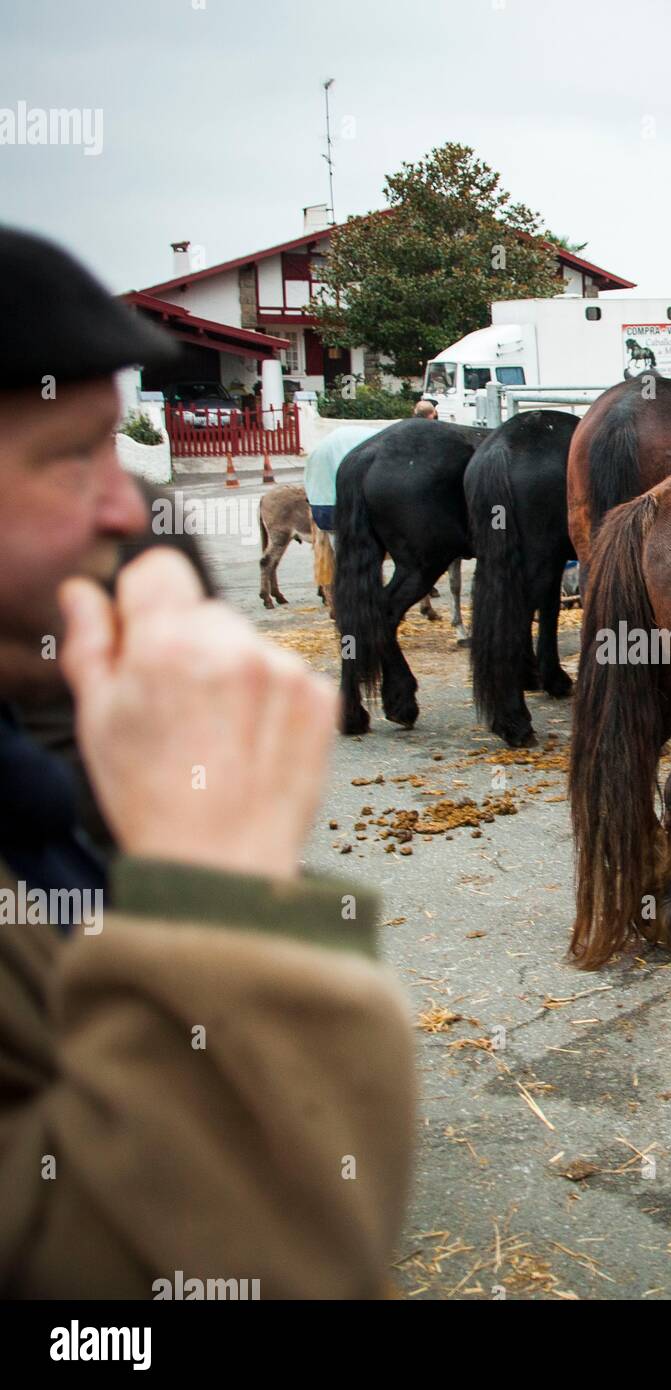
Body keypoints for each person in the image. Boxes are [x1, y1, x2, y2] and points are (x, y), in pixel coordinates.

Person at [0, 225, 414, 1298]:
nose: (124, 506)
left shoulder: (39, 752)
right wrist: (217, 899)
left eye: (115, 451)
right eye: (67, 458)